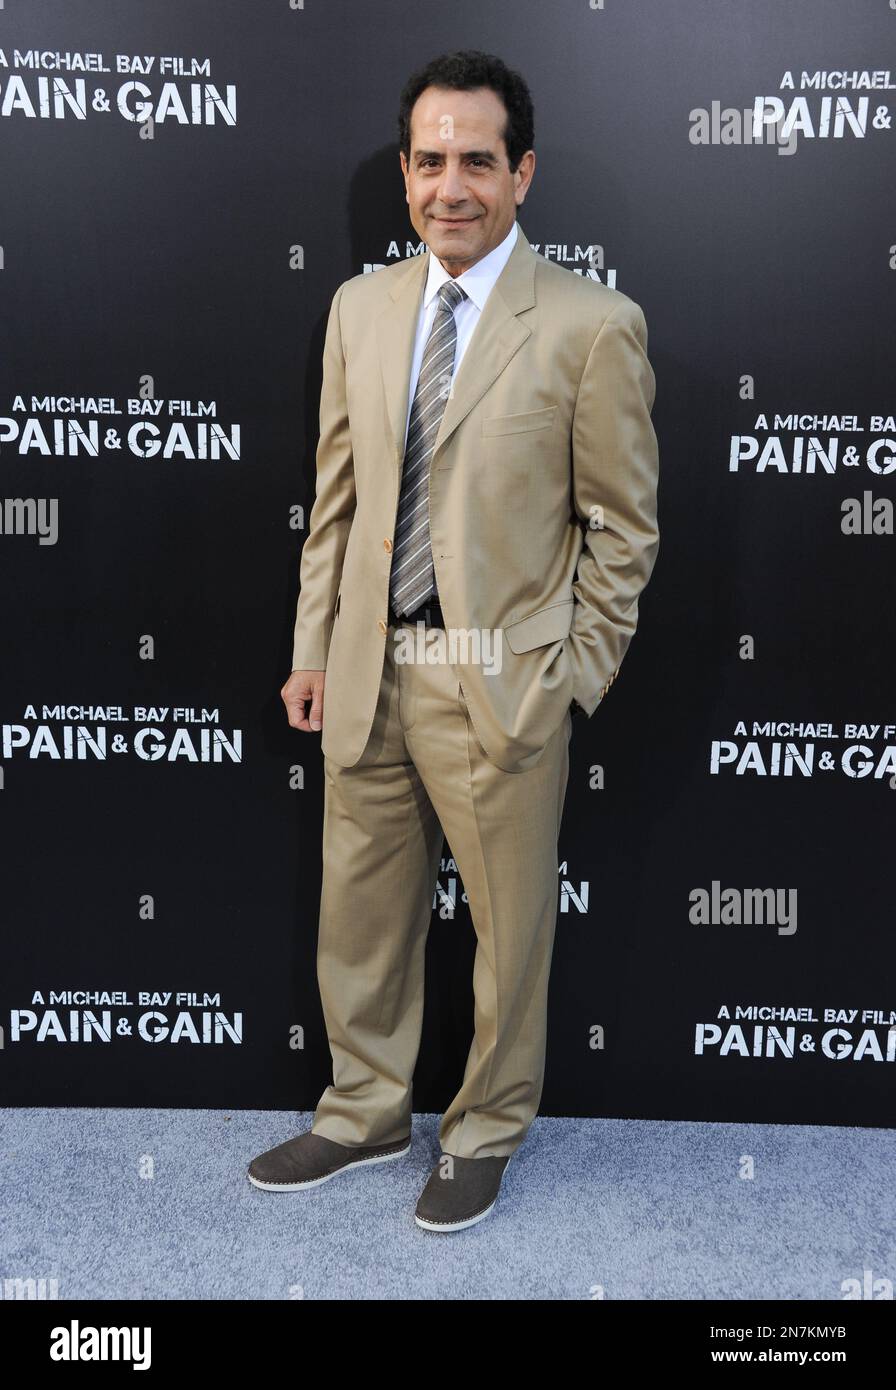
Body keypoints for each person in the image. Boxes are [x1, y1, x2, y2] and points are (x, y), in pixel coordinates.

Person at [248, 48, 660, 1232]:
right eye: (427, 161)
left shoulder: (591, 326)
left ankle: (481, 1130)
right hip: (370, 670)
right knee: (361, 909)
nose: (449, 186)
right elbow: (336, 500)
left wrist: (568, 675)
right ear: (406, 172)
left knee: (508, 930)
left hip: (499, 684)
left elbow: (620, 531)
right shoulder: (360, 308)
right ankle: (362, 1109)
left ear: (520, 173)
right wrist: (314, 651)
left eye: (476, 160)